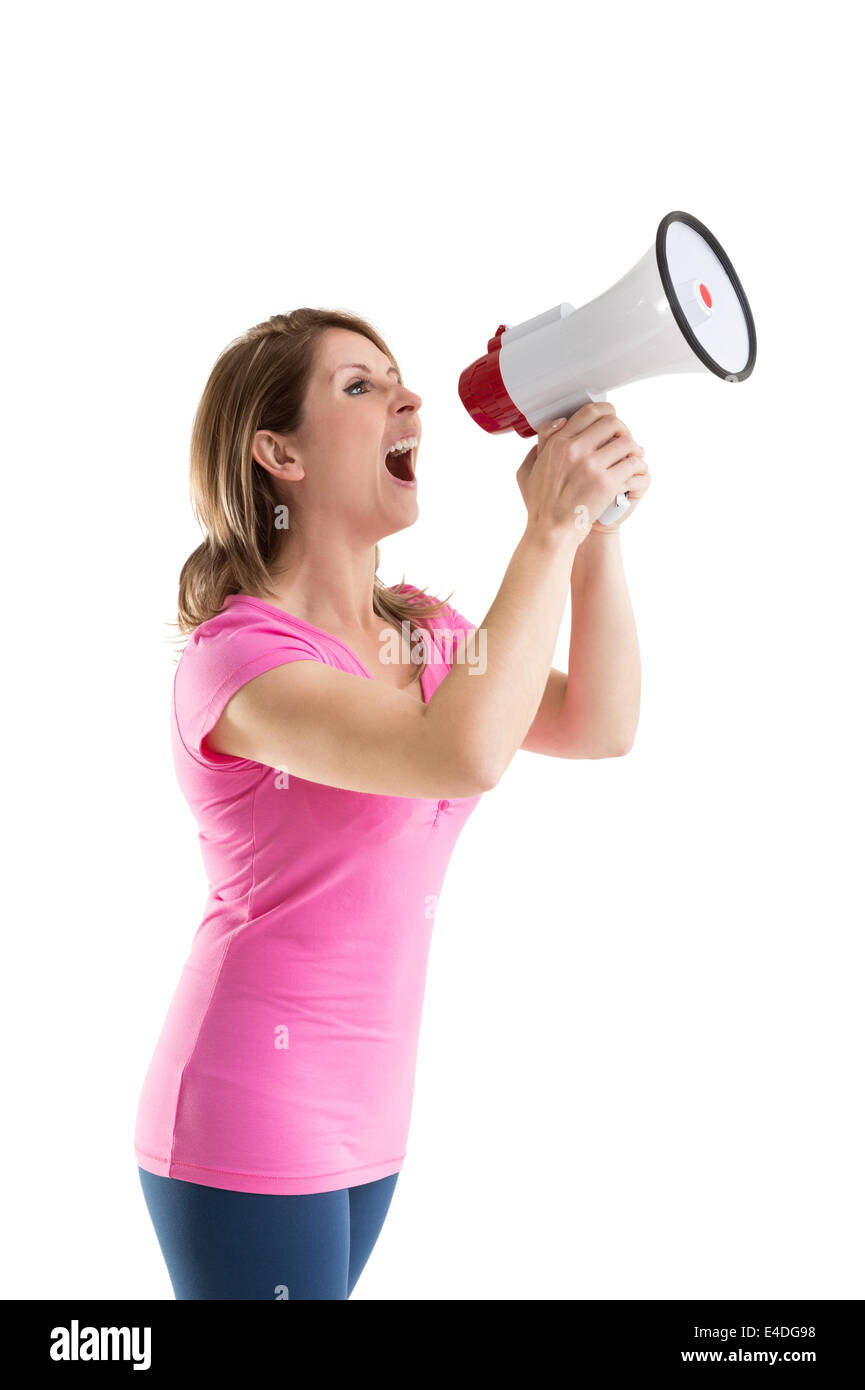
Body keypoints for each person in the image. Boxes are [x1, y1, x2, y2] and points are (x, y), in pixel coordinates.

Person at [133, 306, 651, 1300]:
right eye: (360, 387)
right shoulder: (238, 661)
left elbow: (597, 720)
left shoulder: (427, 636)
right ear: (275, 451)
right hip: (248, 1107)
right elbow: (454, 752)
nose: (409, 398)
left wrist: (592, 522)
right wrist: (544, 524)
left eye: (398, 378)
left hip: (371, 1119)